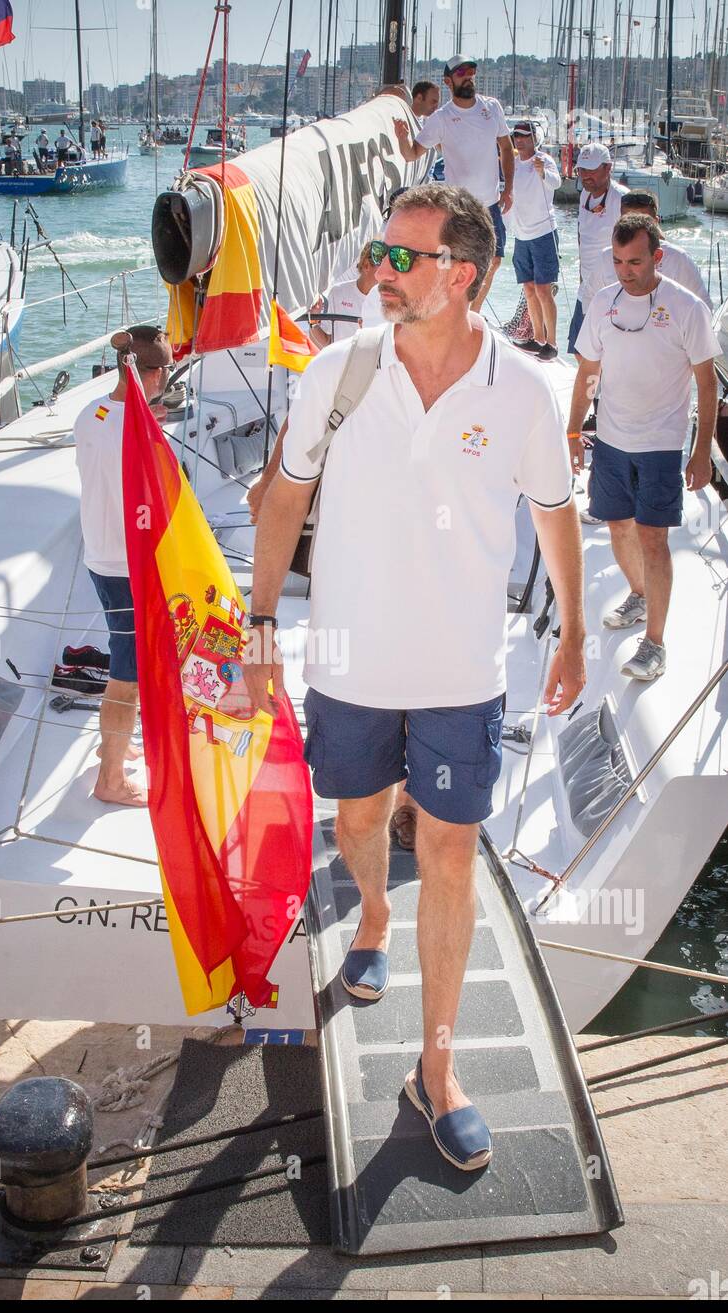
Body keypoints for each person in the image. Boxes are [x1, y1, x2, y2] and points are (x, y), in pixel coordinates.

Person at [244, 184, 584, 1172]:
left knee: (448, 849)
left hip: (461, 675)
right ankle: (371, 915)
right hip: (348, 661)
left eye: (402, 258)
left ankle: (434, 1073)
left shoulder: (521, 389)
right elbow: (278, 503)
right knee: (355, 819)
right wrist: (262, 623)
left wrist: (569, 631)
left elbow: (553, 510)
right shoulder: (338, 373)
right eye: (379, 254)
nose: (379, 272)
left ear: (462, 275)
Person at [566, 214, 719, 680]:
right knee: (616, 526)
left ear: (657, 256)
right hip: (611, 441)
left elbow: (707, 384)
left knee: (653, 539)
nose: (624, 271)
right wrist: (574, 432)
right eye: (616, 261)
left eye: (634, 261)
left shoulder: (687, 308)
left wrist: (701, 452)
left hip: (661, 445)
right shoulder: (602, 304)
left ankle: (655, 644)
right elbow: (587, 371)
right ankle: (639, 593)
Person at [73, 326, 173, 806]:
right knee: (127, 673)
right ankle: (110, 779)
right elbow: (150, 506)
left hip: (99, 555)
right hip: (126, 566)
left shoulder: (90, 414)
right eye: (164, 372)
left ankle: (115, 743)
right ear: (150, 375)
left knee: (128, 663)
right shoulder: (133, 430)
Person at [391, 54, 514, 312]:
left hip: (491, 202)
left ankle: (472, 312)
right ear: (448, 81)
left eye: (471, 71)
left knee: (495, 260)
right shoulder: (441, 118)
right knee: (458, 262)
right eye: (461, 73)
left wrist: (509, 189)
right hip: (461, 206)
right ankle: (453, 310)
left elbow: (505, 145)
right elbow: (412, 153)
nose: (468, 77)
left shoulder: (492, 108)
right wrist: (402, 137)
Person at [587, 189, 713, 309]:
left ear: (655, 222)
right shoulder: (605, 258)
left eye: (643, 222)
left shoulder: (679, 260)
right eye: (628, 221)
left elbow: (703, 306)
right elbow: (589, 305)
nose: (635, 227)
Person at [507, 119, 561, 361]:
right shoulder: (513, 163)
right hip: (521, 235)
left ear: (534, 138)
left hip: (543, 233)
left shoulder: (544, 160)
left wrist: (543, 171)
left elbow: (556, 183)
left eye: (524, 135)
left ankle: (552, 342)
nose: (520, 139)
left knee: (543, 289)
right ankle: (537, 339)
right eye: (516, 135)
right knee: (528, 288)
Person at [567, 142, 624, 355]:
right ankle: (595, 386)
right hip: (586, 288)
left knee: (606, 352)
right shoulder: (585, 196)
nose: (586, 175)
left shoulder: (621, 198)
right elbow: (582, 235)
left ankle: (604, 387)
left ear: (608, 168)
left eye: (592, 169)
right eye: (582, 169)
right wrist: (582, 278)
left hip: (612, 290)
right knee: (578, 350)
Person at [308, 243, 378, 348]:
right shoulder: (338, 292)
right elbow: (327, 341)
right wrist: (313, 320)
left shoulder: (389, 301)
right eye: (383, 267)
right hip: (339, 363)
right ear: (366, 265)